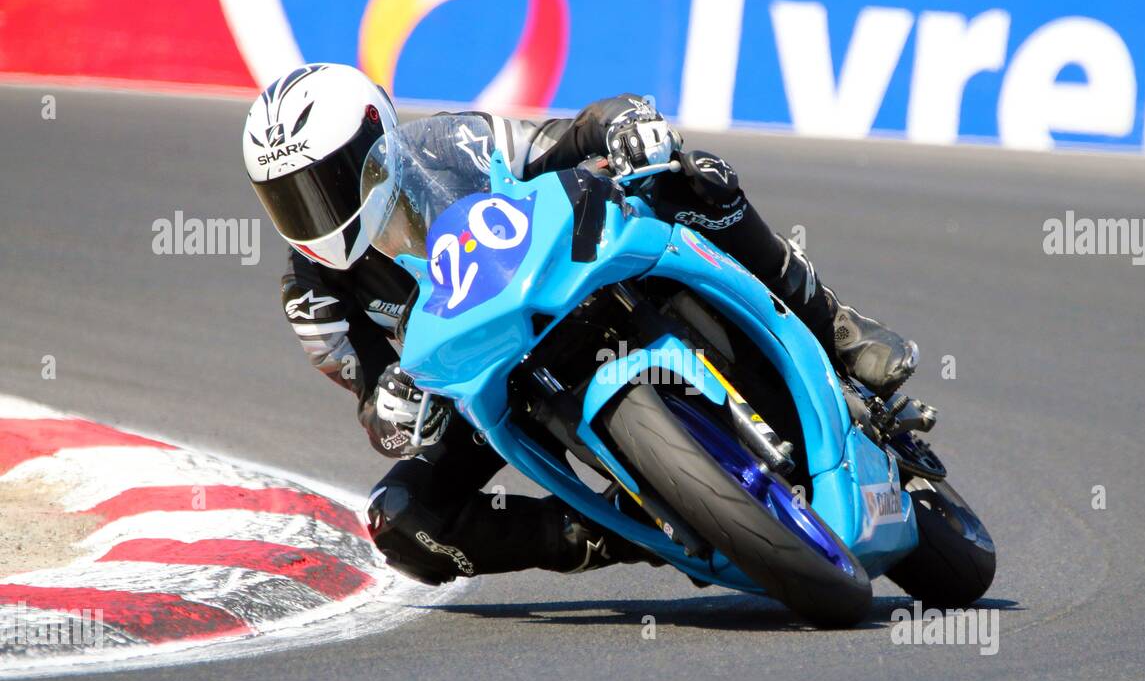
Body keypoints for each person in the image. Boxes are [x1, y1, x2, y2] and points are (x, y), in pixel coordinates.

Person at [242, 63, 917, 584]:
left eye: (328, 182)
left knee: (692, 178)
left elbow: (566, 137)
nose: (316, 212)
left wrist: (624, 124)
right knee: (399, 522)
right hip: (487, 384)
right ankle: (615, 531)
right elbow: (371, 400)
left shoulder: (450, 143)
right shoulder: (311, 292)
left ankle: (839, 331)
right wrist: (393, 406)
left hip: (571, 277)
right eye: (291, 199)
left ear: (376, 139)